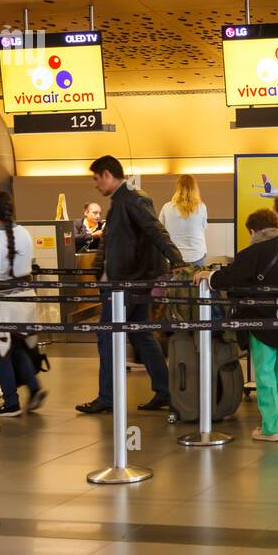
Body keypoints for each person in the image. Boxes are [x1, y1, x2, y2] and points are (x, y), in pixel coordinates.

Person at [201, 208, 278, 441]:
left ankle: (271, 428)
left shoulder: (253, 253)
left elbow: (230, 278)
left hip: (264, 322)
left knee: (265, 374)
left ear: (252, 230)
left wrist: (208, 277)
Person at [76, 156, 184, 414]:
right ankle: (164, 390)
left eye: (95, 178)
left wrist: (175, 259)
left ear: (106, 174)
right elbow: (115, 242)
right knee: (140, 334)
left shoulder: (132, 197)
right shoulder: (122, 200)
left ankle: (107, 397)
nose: (94, 185)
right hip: (131, 279)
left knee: (106, 335)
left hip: (127, 282)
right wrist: (97, 269)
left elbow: (154, 229)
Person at [0, 192, 47, 417]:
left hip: (4, 301)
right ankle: (34, 387)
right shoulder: (25, 233)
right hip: (27, 297)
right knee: (17, 346)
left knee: (1, 351)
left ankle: (11, 402)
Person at [160, 175, 208, 267]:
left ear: (177, 187)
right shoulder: (201, 207)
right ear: (195, 188)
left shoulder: (166, 207)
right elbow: (203, 227)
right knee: (196, 281)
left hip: (173, 257)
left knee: (174, 282)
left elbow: (161, 231)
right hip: (196, 255)